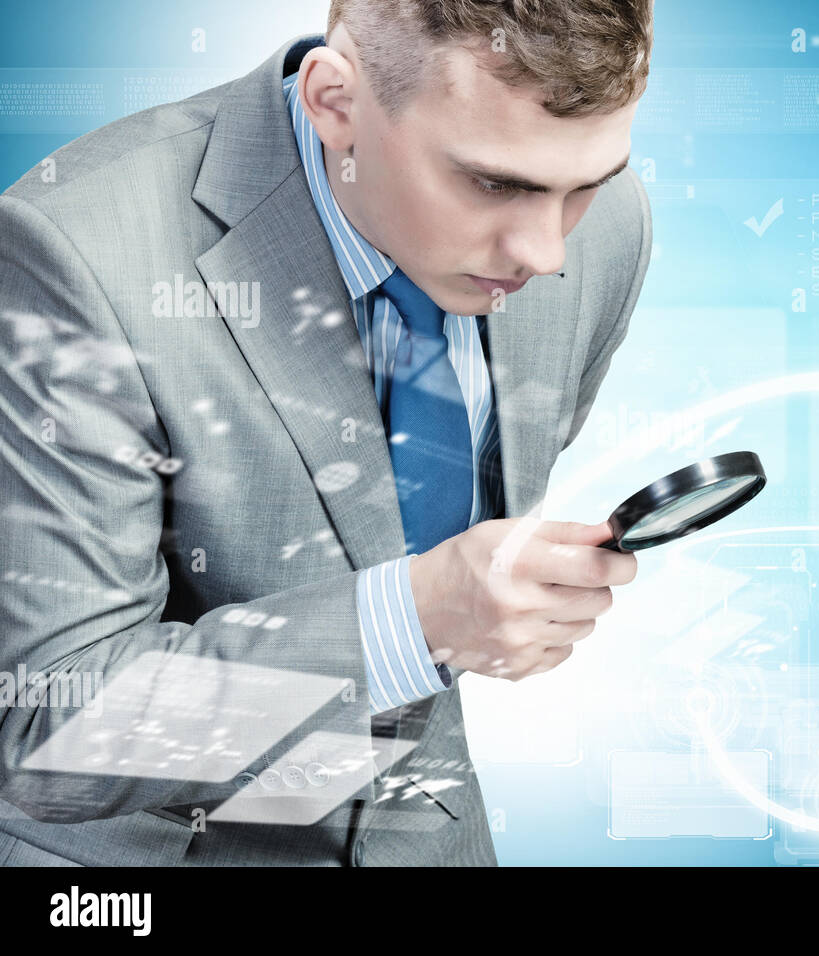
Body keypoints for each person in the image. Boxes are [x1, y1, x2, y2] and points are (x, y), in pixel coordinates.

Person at [0, 0, 654, 866]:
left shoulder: (607, 229)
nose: (545, 253)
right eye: (497, 183)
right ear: (333, 101)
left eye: (588, 184)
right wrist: (416, 622)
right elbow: (48, 725)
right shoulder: (77, 254)